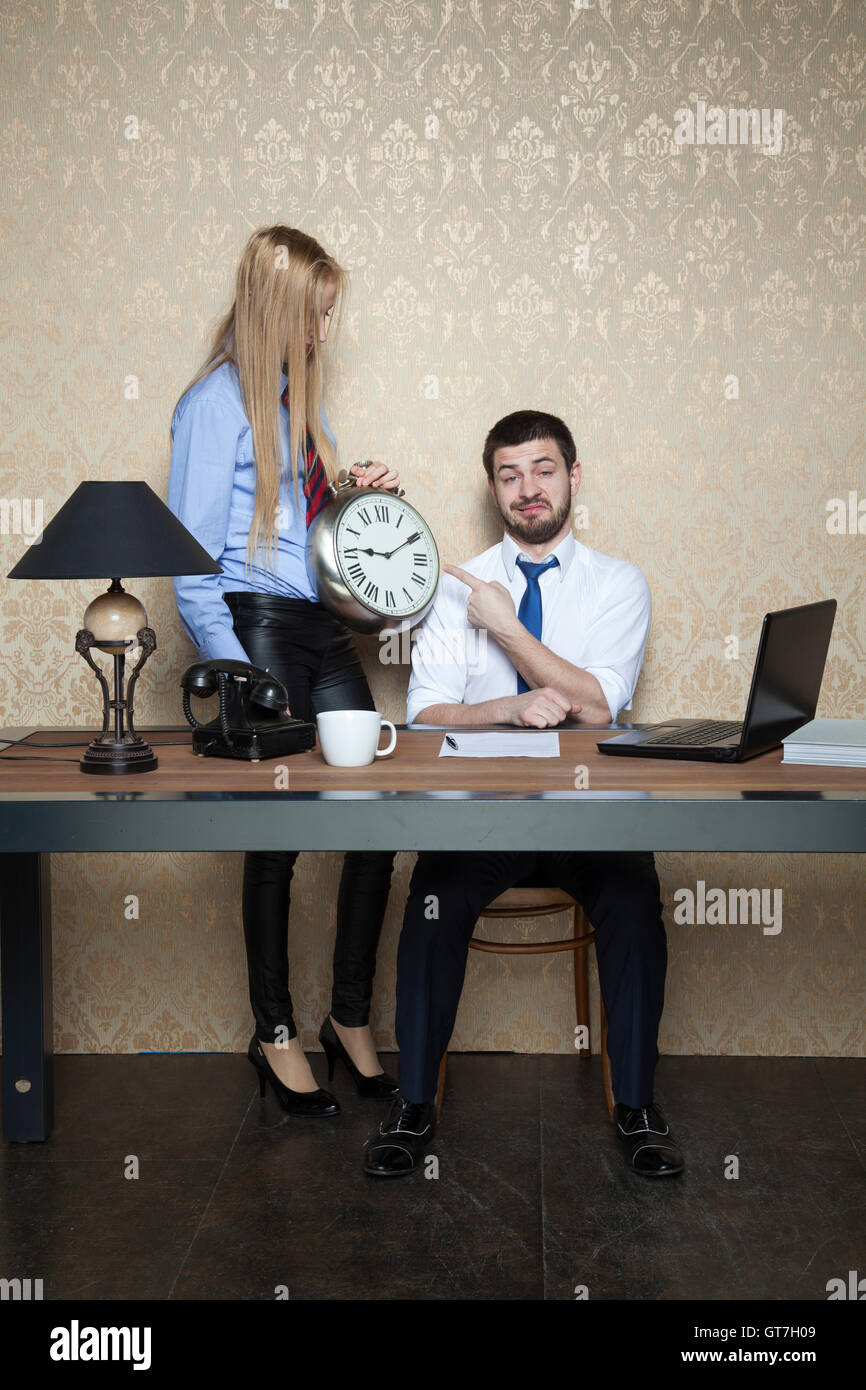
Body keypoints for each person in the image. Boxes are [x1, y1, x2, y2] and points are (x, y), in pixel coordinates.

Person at [363, 410, 684, 1177]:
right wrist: (506, 708)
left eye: (543, 470)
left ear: (574, 477)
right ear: (494, 489)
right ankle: (414, 1104)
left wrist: (505, 629)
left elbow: (599, 704)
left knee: (636, 902)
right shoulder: (454, 588)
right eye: (509, 475)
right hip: (480, 821)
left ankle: (636, 1106)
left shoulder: (618, 584)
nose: (527, 489)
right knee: (430, 905)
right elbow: (424, 718)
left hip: (589, 820)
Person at [168, 225, 399, 1118]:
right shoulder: (212, 405)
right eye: (318, 314)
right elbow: (191, 566)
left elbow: (310, 540)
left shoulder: (306, 410)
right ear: (280, 308)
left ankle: (348, 1018)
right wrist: (238, 679)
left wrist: (357, 499)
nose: (326, 333)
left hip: (319, 625)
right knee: (278, 833)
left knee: (375, 820)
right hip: (254, 627)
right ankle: (273, 1033)